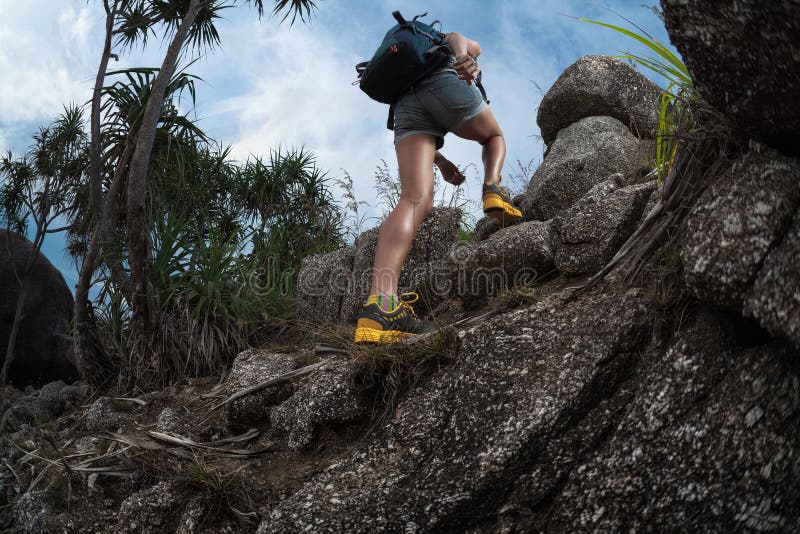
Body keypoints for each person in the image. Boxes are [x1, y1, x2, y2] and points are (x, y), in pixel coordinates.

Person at [354, 31, 521, 344]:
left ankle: (380, 306)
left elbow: (426, 116)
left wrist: (441, 163)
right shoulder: (443, 46)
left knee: (414, 200)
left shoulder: (407, 70)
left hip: (405, 106)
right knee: (493, 137)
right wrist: (463, 57)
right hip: (445, 81)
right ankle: (493, 189)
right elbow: (458, 38)